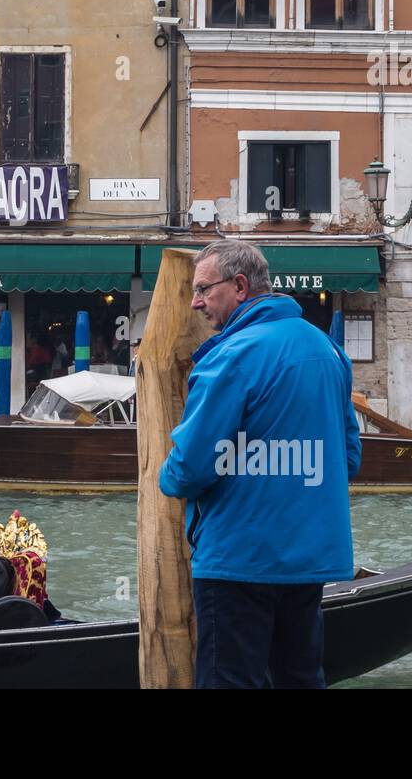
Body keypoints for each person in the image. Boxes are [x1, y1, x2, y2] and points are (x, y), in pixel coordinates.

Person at [158, 240, 360, 690]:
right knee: (300, 678)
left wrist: (163, 474)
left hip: (238, 559)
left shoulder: (231, 356)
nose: (195, 302)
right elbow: (347, 459)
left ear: (240, 286)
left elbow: (189, 467)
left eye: (204, 289)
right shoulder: (328, 350)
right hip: (308, 558)